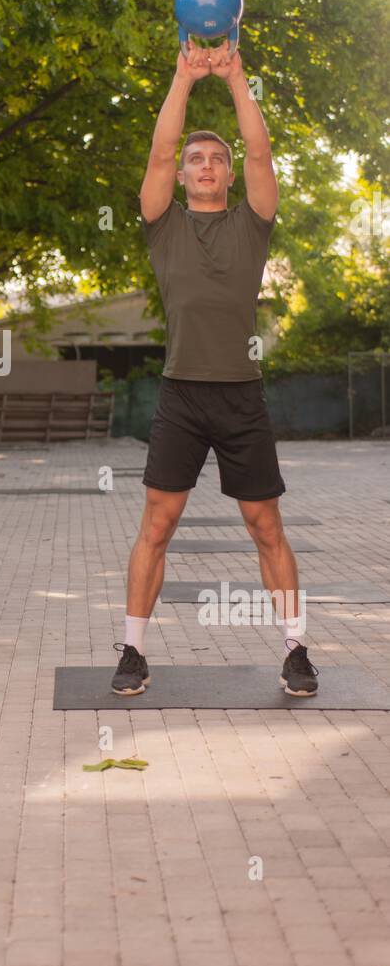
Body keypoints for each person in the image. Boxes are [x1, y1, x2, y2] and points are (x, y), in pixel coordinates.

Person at [112, 39, 318, 698]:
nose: (204, 166)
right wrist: (179, 76)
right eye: (196, 159)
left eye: (216, 160)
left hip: (239, 397)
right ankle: (133, 650)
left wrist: (234, 79)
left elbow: (260, 151)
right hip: (180, 396)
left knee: (265, 525)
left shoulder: (252, 221)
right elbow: (158, 153)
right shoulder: (160, 222)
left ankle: (294, 649)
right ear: (182, 175)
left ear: (228, 176)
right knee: (157, 523)